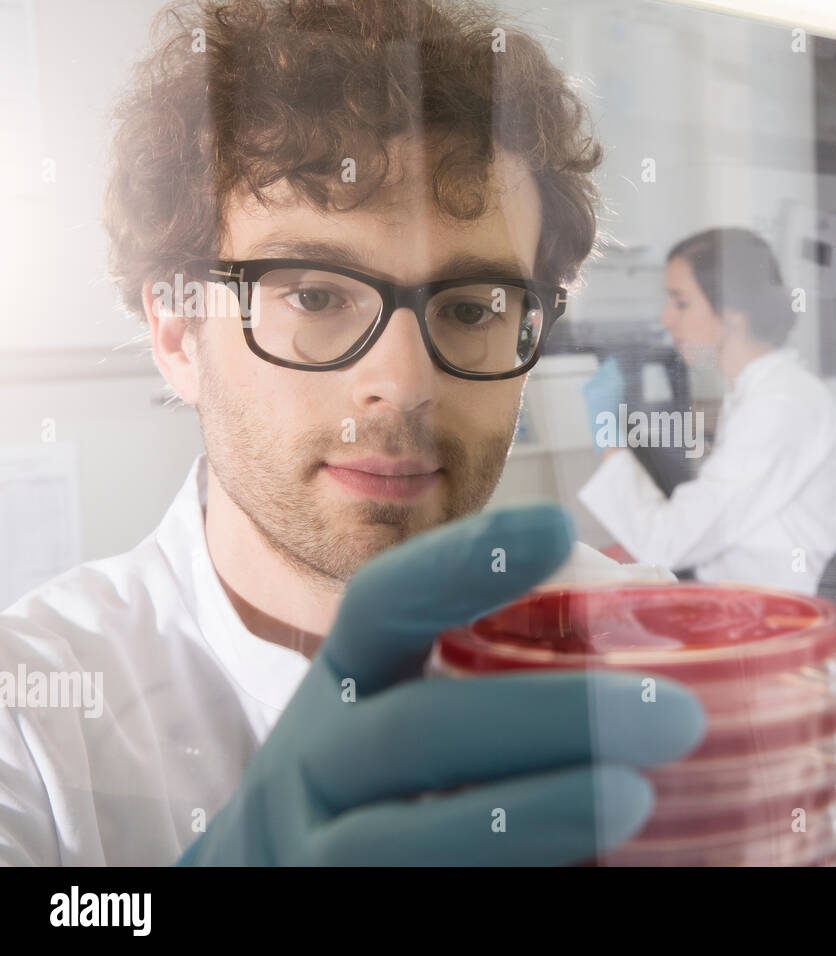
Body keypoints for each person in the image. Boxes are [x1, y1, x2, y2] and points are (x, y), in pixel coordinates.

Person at [0, 0, 705, 866]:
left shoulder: (635, 636)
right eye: (316, 295)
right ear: (178, 333)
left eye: (473, 306)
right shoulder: (32, 716)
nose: (405, 387)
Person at [578, 228, 836, 595]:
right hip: (764, 608)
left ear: (733, 315)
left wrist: (608, 438)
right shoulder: (758, 393)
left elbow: (666, 542)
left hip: (792, 621)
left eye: (680, 303)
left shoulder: (778, 405)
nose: (666, 319)